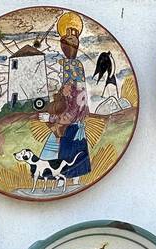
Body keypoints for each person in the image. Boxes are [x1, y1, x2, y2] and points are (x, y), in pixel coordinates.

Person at [38, 10, 92, 186]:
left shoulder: (73, 70)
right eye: (64, 46)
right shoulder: (73, 68)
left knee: (67, 153)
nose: (65, 50)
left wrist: (52, 118)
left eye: (67, 47)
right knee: (72, 153)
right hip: (74, 125)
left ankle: (66, 183)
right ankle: (70, 182)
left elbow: (74, 107)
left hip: (72, 126)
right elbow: (73, 103)